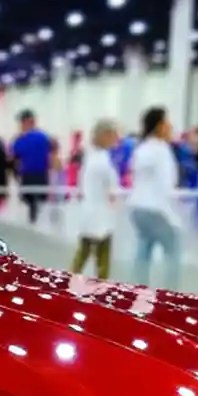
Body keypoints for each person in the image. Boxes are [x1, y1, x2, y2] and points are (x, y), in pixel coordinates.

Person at [128, 106, 182, 289]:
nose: (171, 126)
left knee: (144, 249)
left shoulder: (141, 148)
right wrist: (172, 215)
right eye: (167, 122)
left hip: (137, 206)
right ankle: (171, 294)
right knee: (174, 250)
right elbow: (166, 184)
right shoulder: (162, 150)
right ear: (159, 126)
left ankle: (138, 290)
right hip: (155, 208)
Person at [71, 119, 120, 280]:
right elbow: (111, 187)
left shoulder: (92, 157)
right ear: (104, 135)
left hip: (92, 213)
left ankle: (68, 283)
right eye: (112, 134)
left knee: (84, 254)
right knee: (100, 259)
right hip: (99, 215)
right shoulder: (101, 161)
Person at [10, 109, 52, 224]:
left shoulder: (20, 140)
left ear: (27, 122)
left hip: (27, 177)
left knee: (29, 207)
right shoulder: (44, 137)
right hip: (42, 177)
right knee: (40, 207)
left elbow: (14, 158)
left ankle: (32, 223)